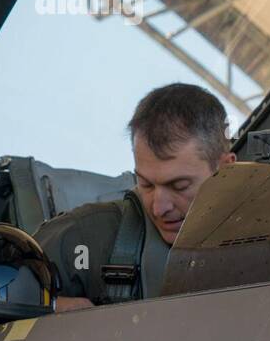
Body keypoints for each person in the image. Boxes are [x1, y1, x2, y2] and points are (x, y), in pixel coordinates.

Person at [35, 83, 236, 310]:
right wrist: (51, 306)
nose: (159, 208)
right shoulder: (87, 238)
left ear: (226, 170)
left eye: (179, 186)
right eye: (146, 184)